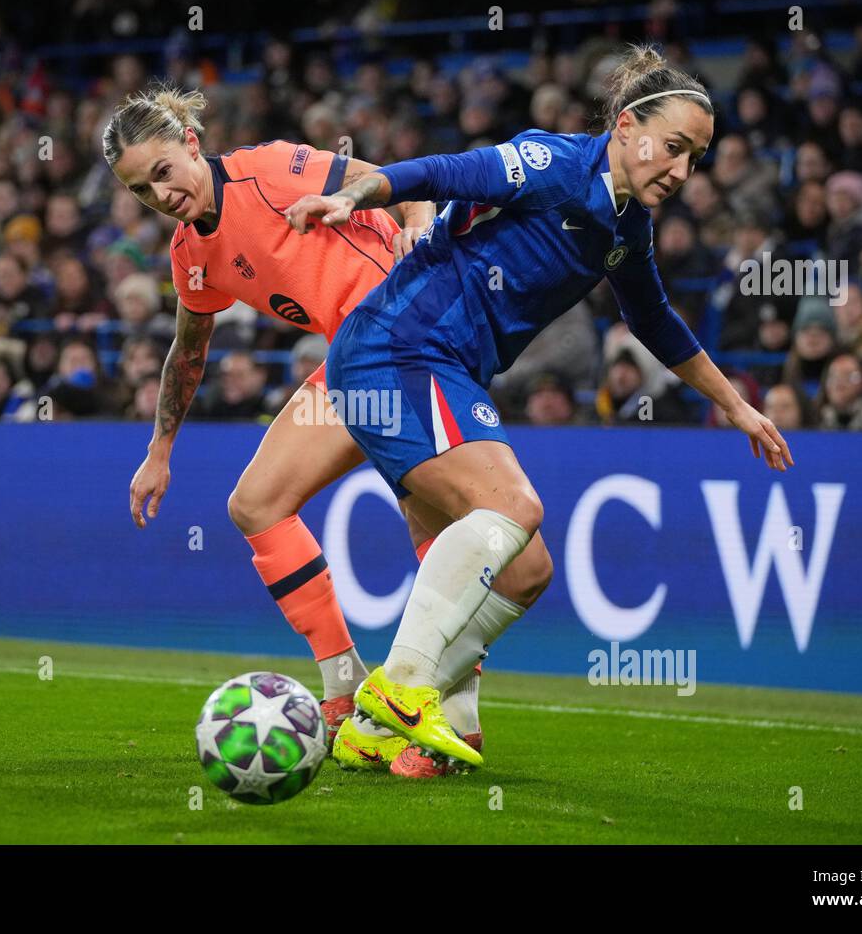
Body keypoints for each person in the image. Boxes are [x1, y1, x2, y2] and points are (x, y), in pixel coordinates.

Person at [287, 44, 794, 768]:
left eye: (696, 158)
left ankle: (391, 729)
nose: (682, 171)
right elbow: (443, 171)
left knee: (525, 571)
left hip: (444, 368)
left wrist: (738, 408)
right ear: (625, 126)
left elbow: (654, 322)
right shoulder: (553, 165)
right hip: (398, 349)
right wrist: (353, 197)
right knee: (516, 506)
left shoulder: (626, 229)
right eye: (673, 148)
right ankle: (399, 688)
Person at [103, 87, 555, 775]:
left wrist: (418, 222)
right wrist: (159, 450)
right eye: (141, 189)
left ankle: (405, 711)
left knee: (464, 546)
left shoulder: (271, 168)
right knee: (286, 508)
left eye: (163, 172)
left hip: (401, 344)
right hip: (356, 369)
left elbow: (394, 182)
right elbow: (188, 351)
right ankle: (383, 702)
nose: (159, 194)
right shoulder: (192, 251)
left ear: (192, 145)